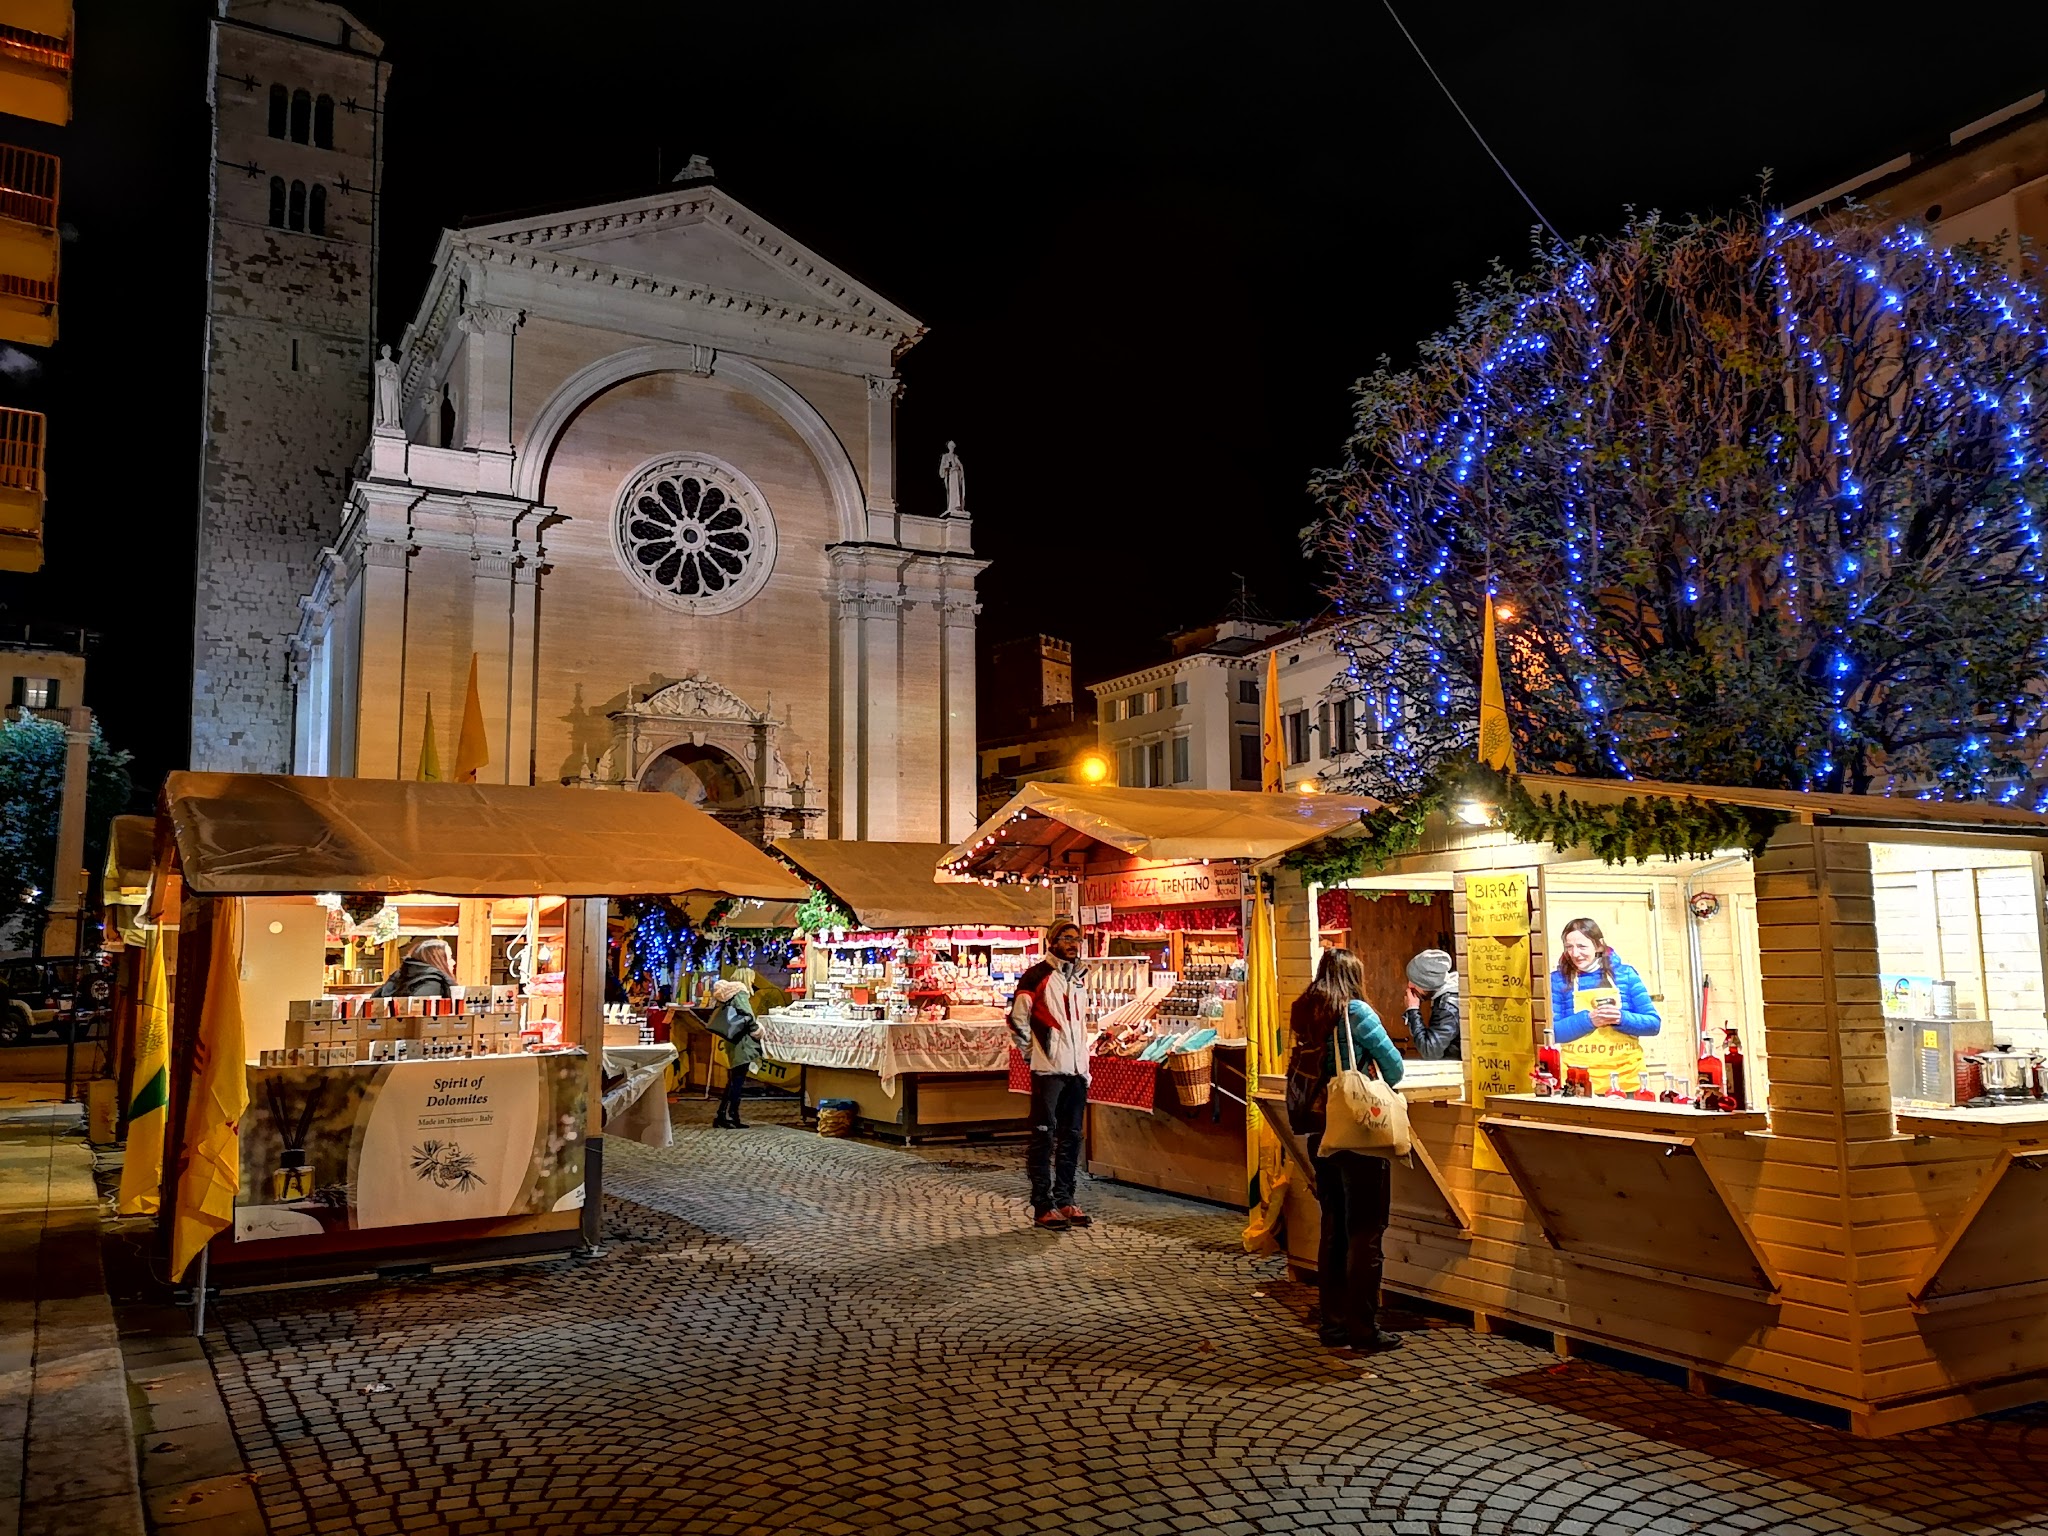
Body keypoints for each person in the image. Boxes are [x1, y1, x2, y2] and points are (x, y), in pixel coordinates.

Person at [1286, 947, 1404, 1352]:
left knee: (1333, 1227)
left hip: (1321, 1131)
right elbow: (1395, 1069)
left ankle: (1332, 1325)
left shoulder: (1304, 1009)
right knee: (1366, 1231)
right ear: (1355, 977)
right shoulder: (1356, 1013)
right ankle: (1363, 1330)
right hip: (1357, 1130)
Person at [1009, 919, 1092, 1231]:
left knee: (1072, 1137)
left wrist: (1082, 1062)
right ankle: (1042, 1204)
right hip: (1049, 1071)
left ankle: (1066, 1198)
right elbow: (1017, 1020)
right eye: (1066, 938)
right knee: (1043, 1137)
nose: (1073, 944)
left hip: (1076, 1071)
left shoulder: (1080, 978)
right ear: (1052, 941)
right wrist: (1035, 1053)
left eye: (1076, 939)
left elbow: (1079, 1023)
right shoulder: (1037, 976)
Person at [1550, 918, 1661, 1093]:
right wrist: (1588, 1020)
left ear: (1599, 945)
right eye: (1568, 947)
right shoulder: (1557, 980)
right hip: (1576, 1082)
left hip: (1627, 1080)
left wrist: (1622, 1018)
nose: (1575, 953)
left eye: (1582, 946)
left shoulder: (1626, 975)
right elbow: (1553, 1033)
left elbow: (1653, 1025)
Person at [707, 975, 761, 1128]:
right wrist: (756, 1031)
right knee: (737, 1080)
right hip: (742, 1040)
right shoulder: (740, 992)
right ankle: (732, 1115)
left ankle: (722, 1114)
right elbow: (748, 1015)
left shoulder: (724, 995)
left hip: (731, 1039)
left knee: (733, 1078)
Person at [1401, 948, 1461, 1060]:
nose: (1410, 986)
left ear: (1429, 983)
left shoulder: (1447, 1007)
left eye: (1415, 982)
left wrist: (1412, 1010)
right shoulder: (1447, 994)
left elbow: (1429, 1051)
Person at [373, 938, 456, 999]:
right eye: (449, 958)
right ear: (436, 960)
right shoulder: (432, 983)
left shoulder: (396, 978)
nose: (453, 962)